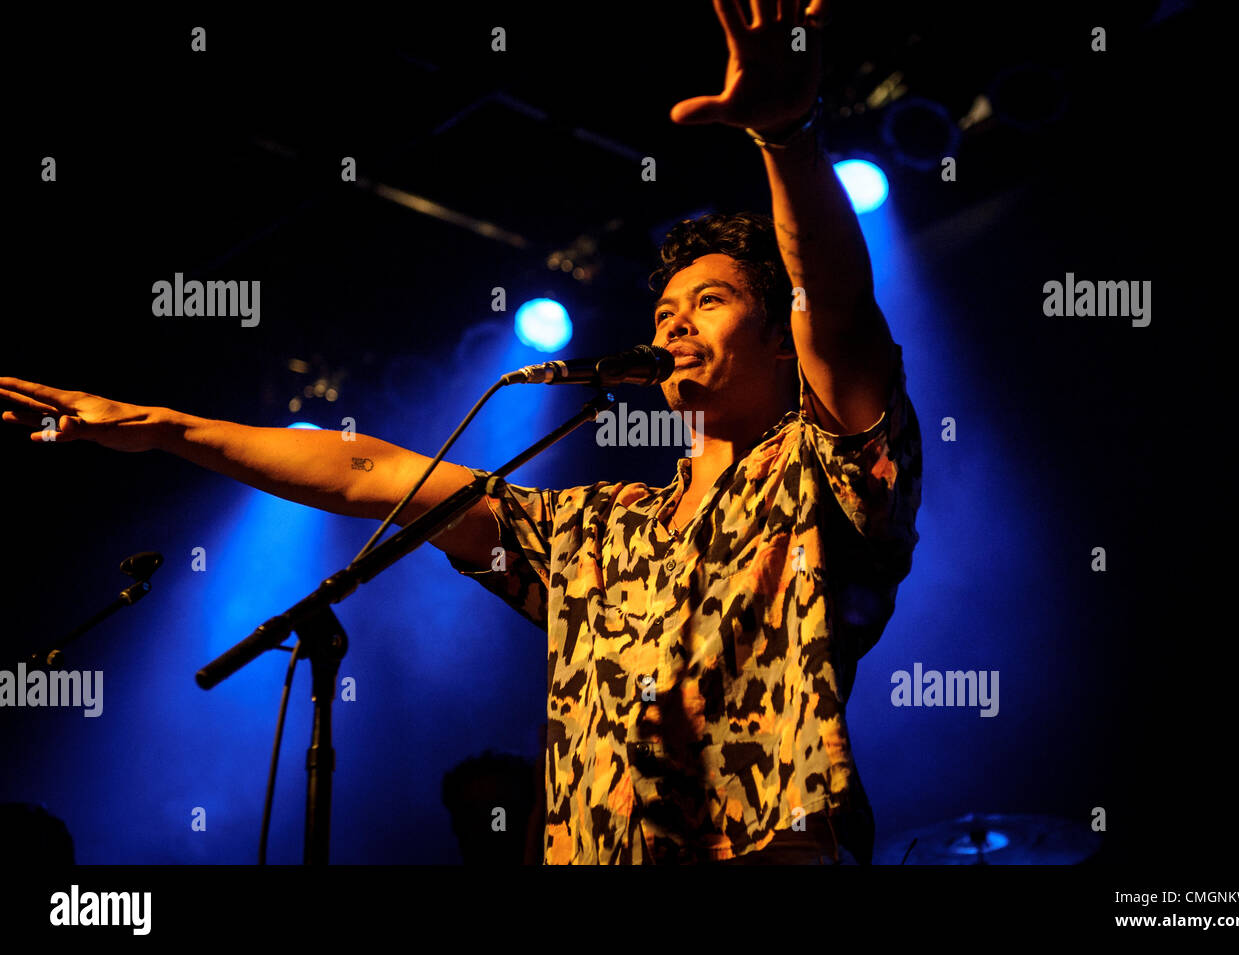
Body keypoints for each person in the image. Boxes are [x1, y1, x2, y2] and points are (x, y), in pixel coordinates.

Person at [1, 0, 921, 864]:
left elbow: (834, 308)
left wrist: (788, 138)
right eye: (667, 306)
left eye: (710, 302)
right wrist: (167, 427)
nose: (674, 323)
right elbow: (372, 471)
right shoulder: (602, 526)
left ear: (777, 338)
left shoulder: (824, 467)